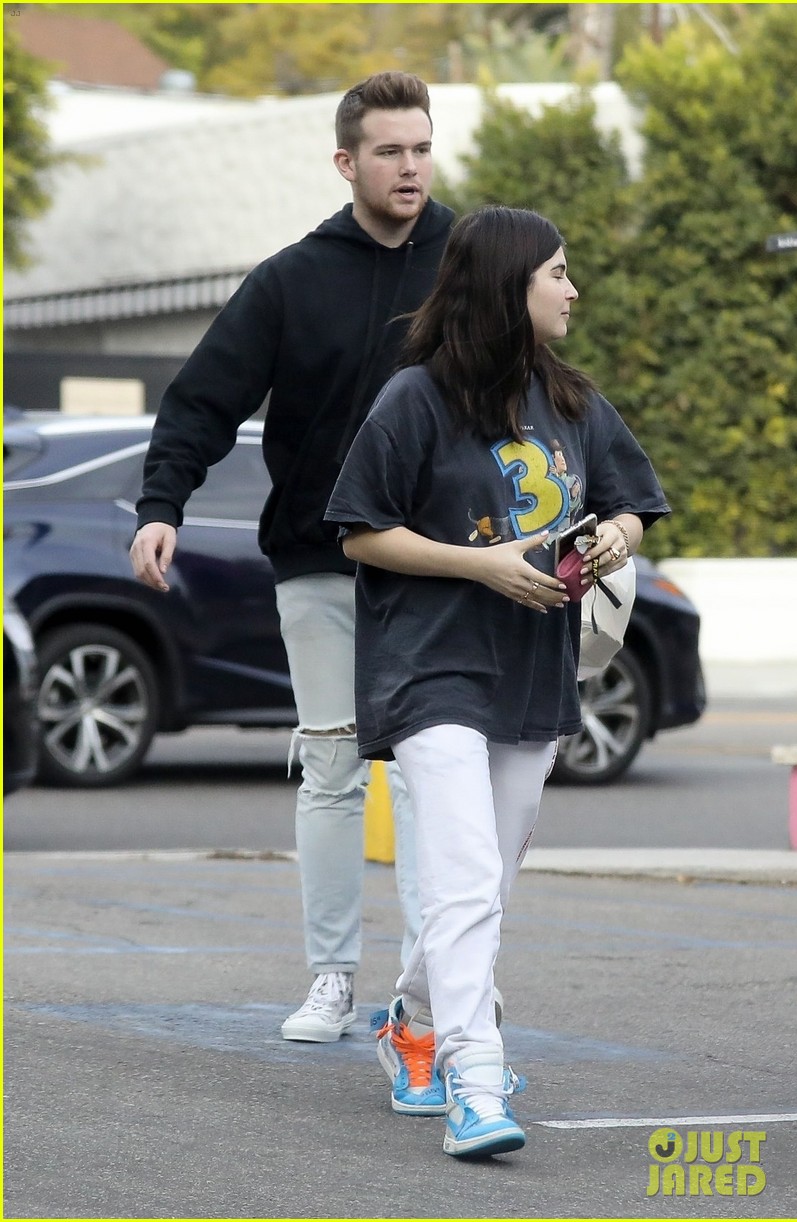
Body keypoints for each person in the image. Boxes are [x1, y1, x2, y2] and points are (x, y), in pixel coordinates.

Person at [325, 206, 670, 1158]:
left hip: (532, 674)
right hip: (428, 670)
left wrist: (613, 537)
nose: (571, 289)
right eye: (556, 273)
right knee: (467, 880)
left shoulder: (572, 401)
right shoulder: (412, 401)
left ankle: (413, 1020)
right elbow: (357, 530)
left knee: (481, 887)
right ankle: (475, 1083)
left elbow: (633, 504)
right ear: (506, 287)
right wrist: (478, 564)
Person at [129, 72, 455, 1043]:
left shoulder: (467, 264)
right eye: (389, 151)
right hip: (317, 557)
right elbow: (198, 403)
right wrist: (161, 507)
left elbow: (528, 394)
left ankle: (432, 990)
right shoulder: (290, 277)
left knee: (439, 775)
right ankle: (331, 979)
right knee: (333, 768)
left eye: (421, 147)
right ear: (346, 161)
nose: (409, 167)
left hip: (441, 563)